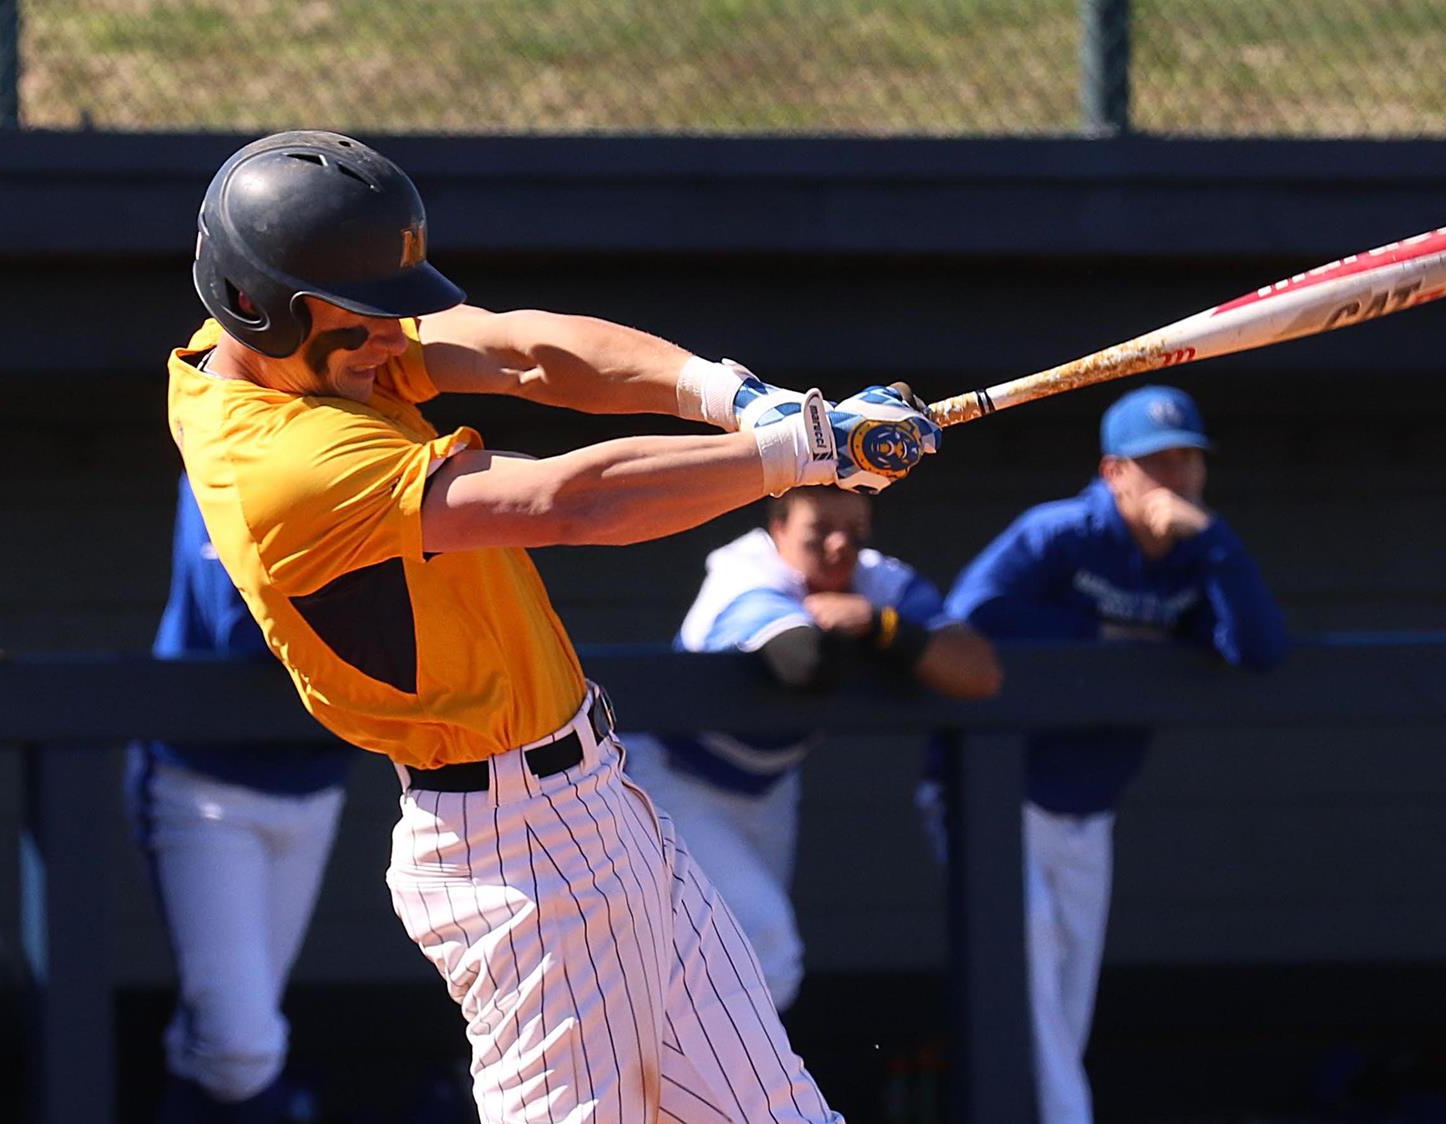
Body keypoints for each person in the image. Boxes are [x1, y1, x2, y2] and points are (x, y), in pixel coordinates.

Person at [167, 129, 939, 1120]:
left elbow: (523, 350)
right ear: (256, 304)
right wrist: (793, 457)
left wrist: (742, 401)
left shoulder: (291, 359)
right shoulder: (284, 465)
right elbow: (568, 502)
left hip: (590, 806)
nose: (394, 340)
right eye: (365, 320)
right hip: (515, 852)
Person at [920, 385, 1285, 1124]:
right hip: (994, 795)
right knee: (1030, 989)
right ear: (1114, 471)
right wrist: (1095, 636)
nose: (1176, 478)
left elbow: (1258, 649)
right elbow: (969, 620)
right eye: (1157, 463)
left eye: (1188, 460)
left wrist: (1215, 541)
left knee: (1061, 1009)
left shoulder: (1196, 553)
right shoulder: (1062, 534)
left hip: (1089, 808)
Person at [623, 489, 1001, 1011]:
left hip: (767, 789)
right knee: (765, 946)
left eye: (854, 530)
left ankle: (705, 1082)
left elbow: (979, 673)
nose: (839, 546)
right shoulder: (743, 569)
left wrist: (879, 623)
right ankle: (734, 1088)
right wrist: (879, 637)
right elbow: (804, 663)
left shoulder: (872, 582)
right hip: (668, 781)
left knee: (727, 963)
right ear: (779, 529)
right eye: (819, 531)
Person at [126, 475, 358, 1123]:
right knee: (239, 1049)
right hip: (202, 786)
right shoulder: (228, 441)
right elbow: (240, 628)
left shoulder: (372, 438)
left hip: (313, 784)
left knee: (216, 1044)